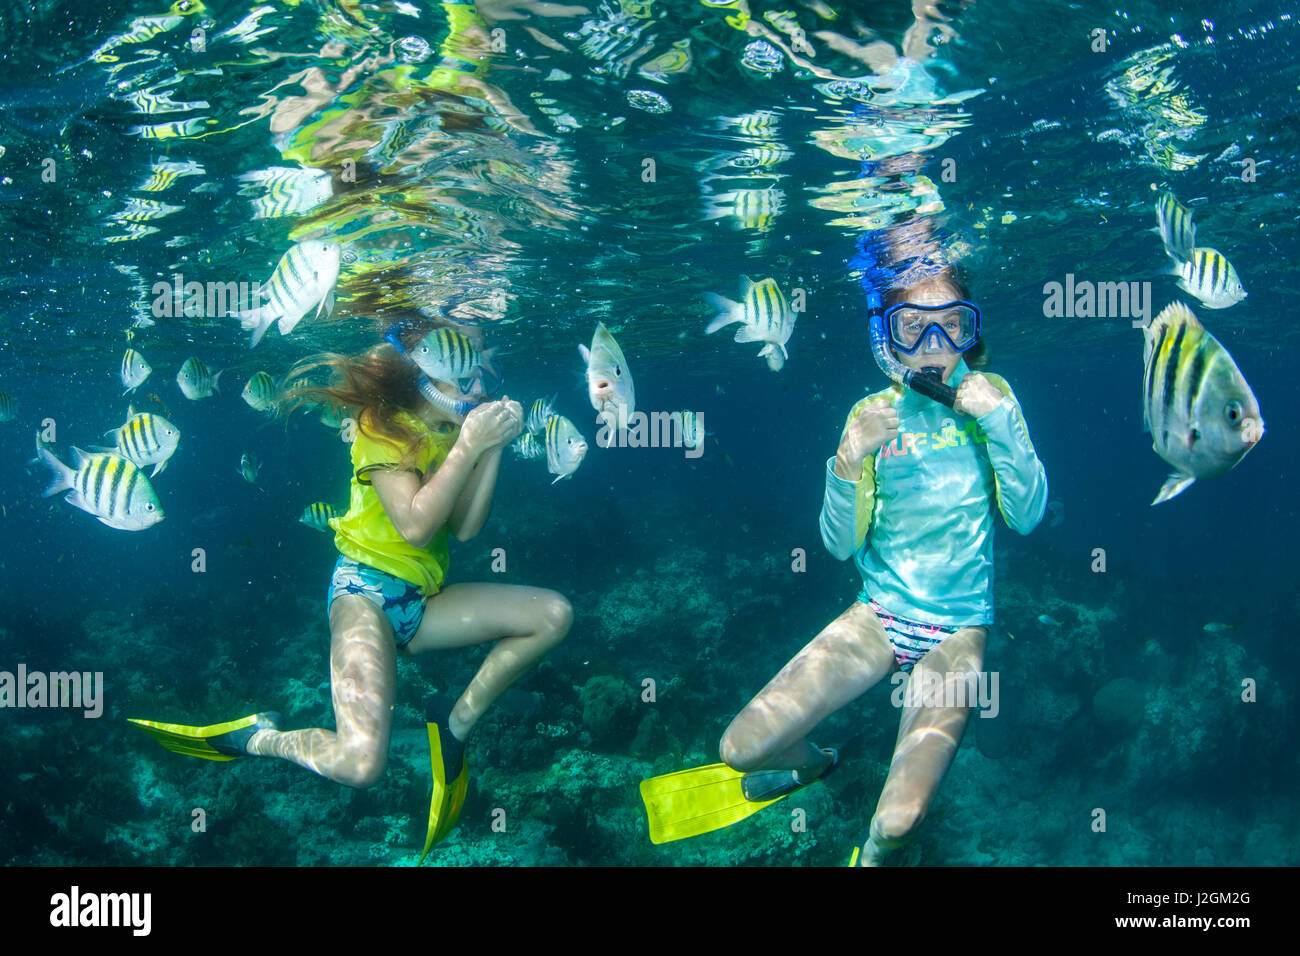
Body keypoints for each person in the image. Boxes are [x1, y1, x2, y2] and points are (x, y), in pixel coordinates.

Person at [639, 268, 1047, 865]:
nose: (934, 344)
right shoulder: (871, 411)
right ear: (887, 337)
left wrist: (999, 420)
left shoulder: (995, 399)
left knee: (900, 819)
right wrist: (849, 458)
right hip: (877, 614)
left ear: (970, 331)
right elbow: (836, 545)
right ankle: (817, 764)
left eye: (952, 325)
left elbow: (1030, 516)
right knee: (740, 749)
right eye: (913, 326)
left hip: (959, 630)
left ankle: (872, 855)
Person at [131, 327, 572, 861]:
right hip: (363, 595)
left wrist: (491, 448)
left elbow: (465, 530)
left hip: (422, 604)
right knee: (362, 766)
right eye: (466, 371)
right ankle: (256, 737)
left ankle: (452, 725)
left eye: (478, 371)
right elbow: (413, 525)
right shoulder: (376, 427)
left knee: (553, 614)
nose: (477, 382)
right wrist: (473, 444)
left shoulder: (448, 434)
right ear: (427, 378)